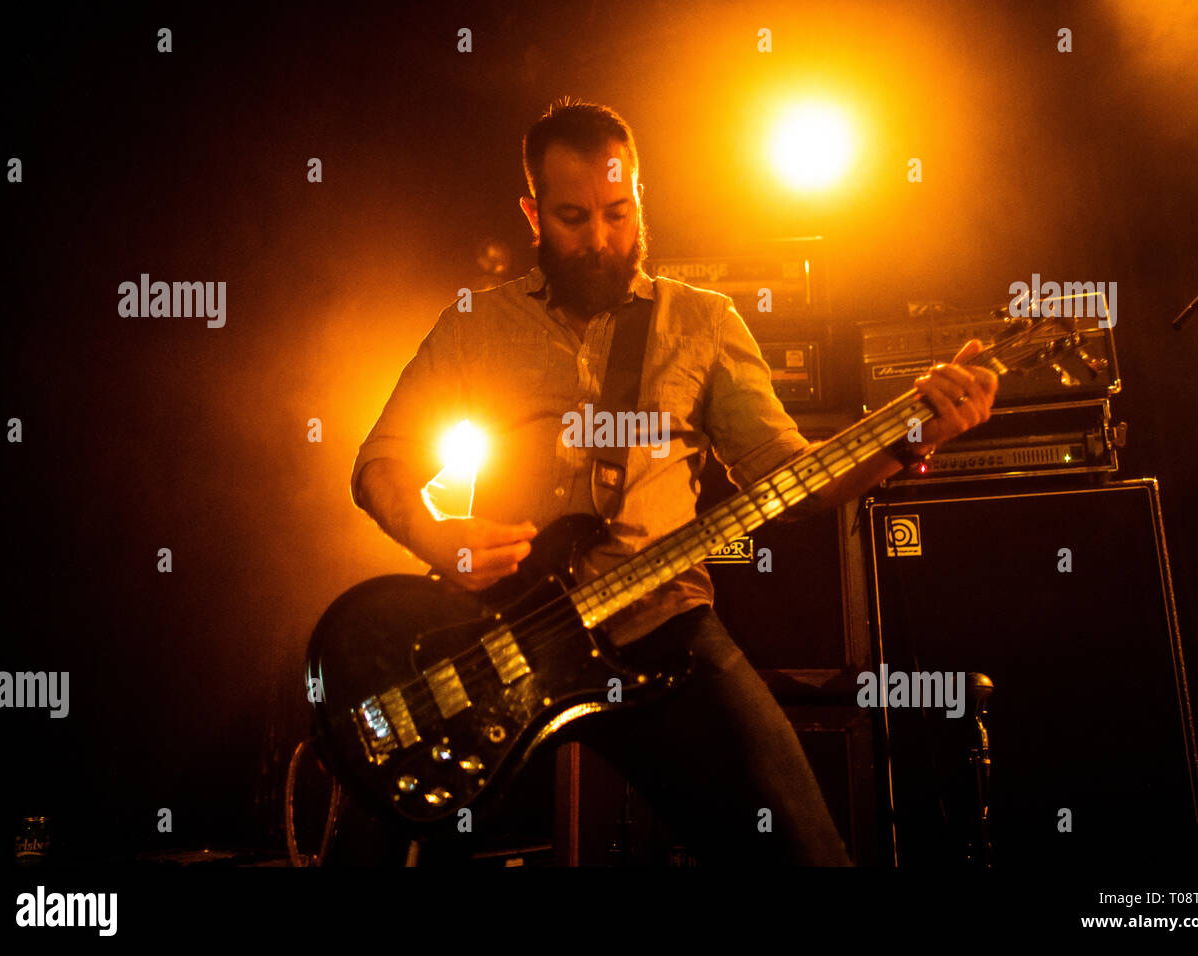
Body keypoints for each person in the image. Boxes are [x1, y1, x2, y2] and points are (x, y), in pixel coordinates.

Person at [350, 98, 998, 865]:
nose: (600, 239)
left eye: (618, 213)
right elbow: (378, 461)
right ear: (532, 213)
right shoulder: (476, 324)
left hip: (662, 625)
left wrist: (910, 436)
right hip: (507, 640)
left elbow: (792, 486)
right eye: (573, 217)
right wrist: (435, 536)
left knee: (804, 855)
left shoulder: (703, 322)